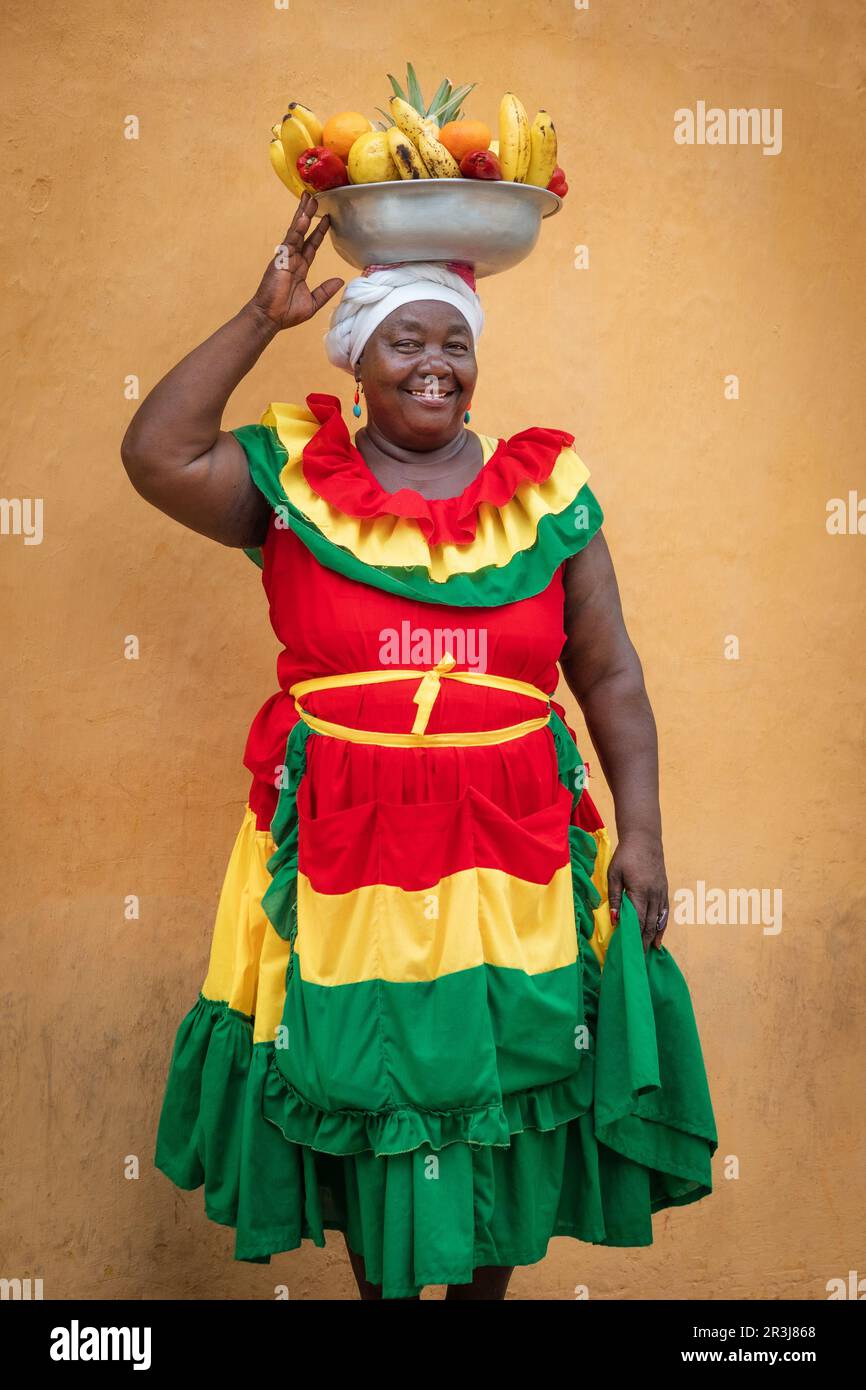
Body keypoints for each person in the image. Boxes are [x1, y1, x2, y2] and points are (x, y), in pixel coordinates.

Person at [121, 191, 717, 1301]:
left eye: (454, 341)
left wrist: (641, 832)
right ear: (358, 360)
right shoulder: (295, 485)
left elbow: (610, 674)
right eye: (406, 339)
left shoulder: (545, 497)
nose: (434, 362)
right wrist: (260, 317)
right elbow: (156, 452)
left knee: (506, 1071)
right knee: (365, 1081)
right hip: (348, 848)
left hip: (516, 847)